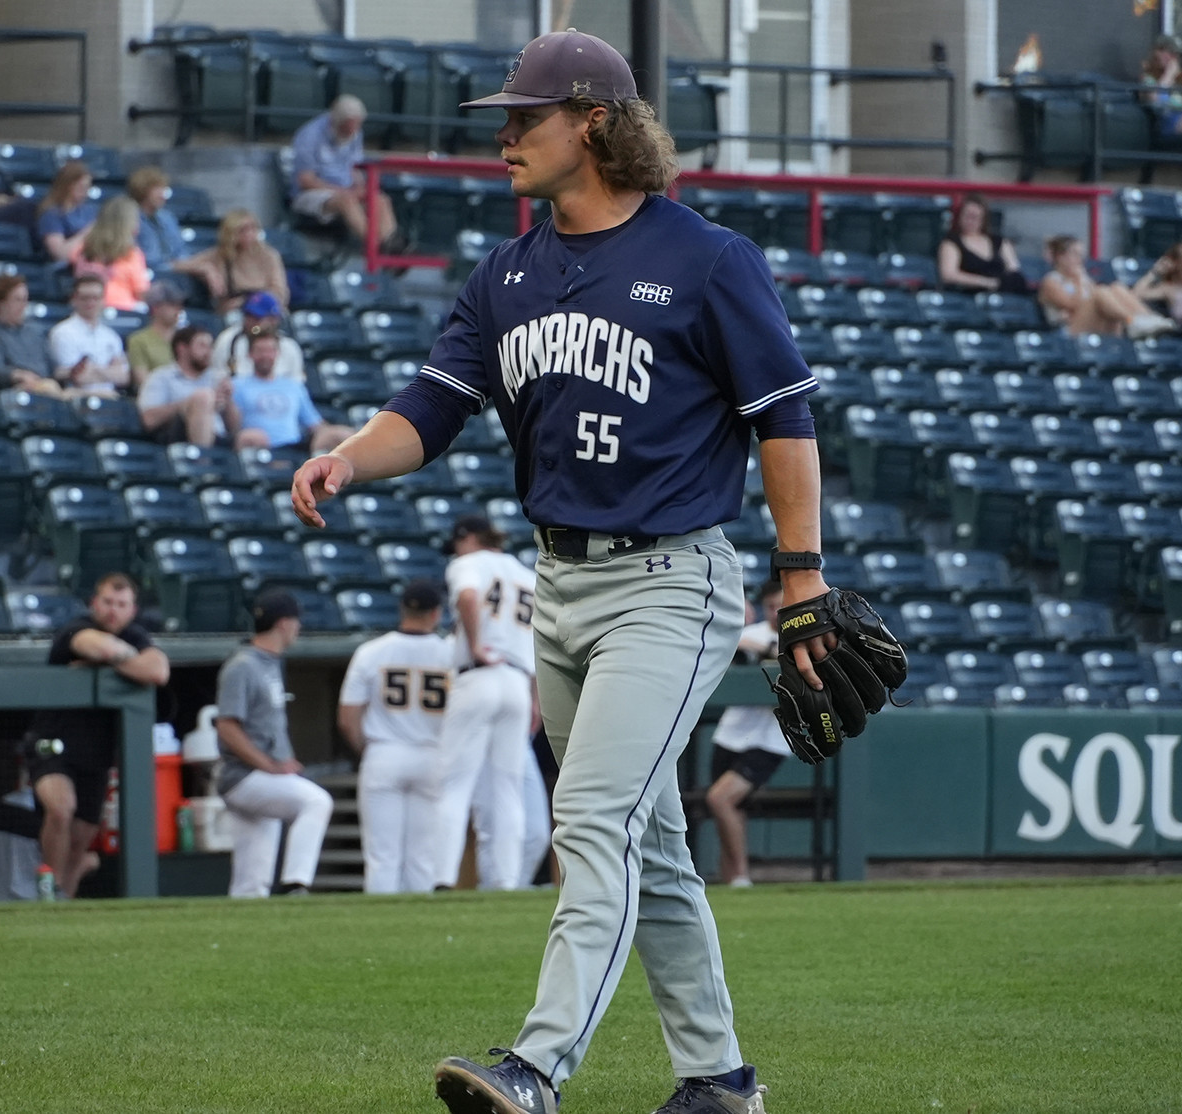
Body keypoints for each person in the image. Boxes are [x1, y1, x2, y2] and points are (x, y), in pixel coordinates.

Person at [291, 29, 838, 1113]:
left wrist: (803, 577)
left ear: (594, 122)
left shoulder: (707, 258)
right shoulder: (506, 275)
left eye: (524, 117)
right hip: (558, 590)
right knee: (657, 846)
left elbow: (785, 419)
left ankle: (536, 1068)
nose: (503, 136)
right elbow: (432, 410)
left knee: (589, 820)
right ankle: (720, 1079)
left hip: (670, 583)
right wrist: (350, 456)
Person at [27, 574, 170, 900]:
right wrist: (121, 659)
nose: (112, 611)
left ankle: (63, 903)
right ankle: (49, 889)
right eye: (107, 602)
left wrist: (104, 665)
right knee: (61, 809)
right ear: (94, 603)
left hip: (96, 754)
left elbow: (159, 670)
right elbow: (94, 645)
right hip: (53, 742)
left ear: (133, 610)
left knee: (81, 838)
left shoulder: (136, 635)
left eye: (121, 605)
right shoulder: (75, 629)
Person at [433, 516, 539, 892]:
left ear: (470, 537)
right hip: (518, 682)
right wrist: (536, 700)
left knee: (454, 784)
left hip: (478, 673)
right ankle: (506, 881)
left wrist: (477, 644)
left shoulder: (468, 563)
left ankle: (443, 878)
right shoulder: (529, 575)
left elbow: (466, 597)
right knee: (507, 788)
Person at [214, 590, 334, 898]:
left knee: (251, 884)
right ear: (283, 623)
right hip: (245, 775)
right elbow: (227, 726)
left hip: (261, 775)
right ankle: (297, 883)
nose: (298, 628)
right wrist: (269, 765)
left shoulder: (269, 662)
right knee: (316, 801)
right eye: (295, 621)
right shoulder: (243, 664)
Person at [336, 580, 452, 894]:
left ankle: (375, 927)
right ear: (436, 613)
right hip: (432, 754)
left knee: (381, 856)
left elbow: (348, 718)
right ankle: (420, 929)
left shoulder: (371, 651)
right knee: (423, 857)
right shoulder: (451, 654)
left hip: (384, 753)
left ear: (403, 609)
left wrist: (368, 751)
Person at [703, 582, 793, 889]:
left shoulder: (800, 639)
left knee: (720, 799)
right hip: (731, 734)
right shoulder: (749, 635)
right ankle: (731, 881)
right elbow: (723, 644)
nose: (776, 613)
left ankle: (741, 876)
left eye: (782, 606)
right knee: (730, 810)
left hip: (769, 739)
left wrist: (768, 651)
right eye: (771, 606)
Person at [288, 94, 400, 248]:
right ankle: (376, 247)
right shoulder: (309, 136)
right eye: (348, 127)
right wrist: (344, 192)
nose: (353, 131)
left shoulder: (355, 134)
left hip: (346, 190)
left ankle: (391, 247)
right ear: (337, 122)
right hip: (312, 193)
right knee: (347, 202)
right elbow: (306, 181)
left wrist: (360, 188)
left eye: (357, 126)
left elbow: (355, 168)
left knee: (380, 200)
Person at [225, 331, 351, 453]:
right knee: (252, 437)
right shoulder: (237, 385)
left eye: (270, 351)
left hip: (294, 446)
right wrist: (228, 400)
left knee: (341, 435)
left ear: (277, 353)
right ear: (250, 354)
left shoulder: (294, 386)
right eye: (260, 351)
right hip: (258, 446)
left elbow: (314, 423)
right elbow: (233, 427)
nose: (265, 355)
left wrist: (329, 433)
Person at [1037, 235, 1176, 338]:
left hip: (1095, 325)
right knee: (1100, 292)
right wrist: (1079, 281)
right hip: (1067, 333)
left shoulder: (1085, 280)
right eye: (1075, 254)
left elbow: (1103, 304)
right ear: (1061, 257)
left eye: (1081, 254)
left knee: (1117, 288)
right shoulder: (1051, 281)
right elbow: (1075, 305)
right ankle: (1132, 320)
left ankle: (1150, 319)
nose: (1080, 259)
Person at [177, 209, 291, 317]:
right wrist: (206, 269)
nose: (249, 234)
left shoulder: (269, 255)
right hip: (231, 314)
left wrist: (245, 301)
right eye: (243, 230)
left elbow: (280, 292)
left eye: (253, 229)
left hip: (265, 308)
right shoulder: (218, 255)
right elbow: (175, 265)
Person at [0, 274, 64, 396]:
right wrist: (19, 375)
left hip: (46, 385)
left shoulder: (34, 331)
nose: (23, 306)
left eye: (25, 300)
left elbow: (53, 368)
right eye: (17, 300)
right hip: (14, 390)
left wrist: (73, 372)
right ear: (1, 303)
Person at [139, 325, 228, 446]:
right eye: (202, 346)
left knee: (253, 437)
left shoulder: (216, 378)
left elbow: (234, 425)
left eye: (210, 346)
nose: (208, 352)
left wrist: (228, 401)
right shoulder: (161, 377)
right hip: (180, 438)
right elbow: (148, 419)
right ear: (182, 348)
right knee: (203, 397)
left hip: (220, 438)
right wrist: (187, 405)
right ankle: (203, 459)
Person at [46, 274, 131, 398]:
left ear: (103, 300)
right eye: (85, 298)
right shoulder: (62, 333)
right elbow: (79, 378)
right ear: (74, 299)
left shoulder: (111, 336)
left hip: (110, 399)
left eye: (96, 298)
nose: (91, 303)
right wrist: (109, 371)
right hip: (77, 399)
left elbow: (124, 377)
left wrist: (94, 369)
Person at [72, 195, 151, 311]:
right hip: (124, 311)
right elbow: (141, 293)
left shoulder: (83, 248)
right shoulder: (132, 254)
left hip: (88, 308)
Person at [937, 192, 1025, 293]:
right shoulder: (951, 243)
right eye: (967, 216)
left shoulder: (1000, 242)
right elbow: (949, 275)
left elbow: (1013, 269)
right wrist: (987, 282)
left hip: (1000, 293)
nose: (970, 221)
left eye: (975, 217)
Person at [212, 291, 307, 381]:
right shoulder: (228, 339)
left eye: (257, 318)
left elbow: (296, 385)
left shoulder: (289, 346)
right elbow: (218, 377)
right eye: (248, 315)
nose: (250, 321)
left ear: (274, 320)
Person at [127, 166, 195, 274]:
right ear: (142, 190)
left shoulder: (168, 218)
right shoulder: (130, 219)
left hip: (178, 270)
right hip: (152, 274)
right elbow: (149, 260)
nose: (162, 194)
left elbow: (180, 252)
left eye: (163, 189)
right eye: (157, 189)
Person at [35, 160, 97, 265]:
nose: (86, 192)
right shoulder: (51, 215)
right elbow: (60, 254)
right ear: (68, 186)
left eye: (88, 187)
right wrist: (87, 233)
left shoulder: (90, 211)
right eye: (81, 187)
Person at [125, 279, 185, 387]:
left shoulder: (186, 337)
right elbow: (142, 380)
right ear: (155, 308)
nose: (178, 310)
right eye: (172, 305)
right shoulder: (139, 340)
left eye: (179, 305)